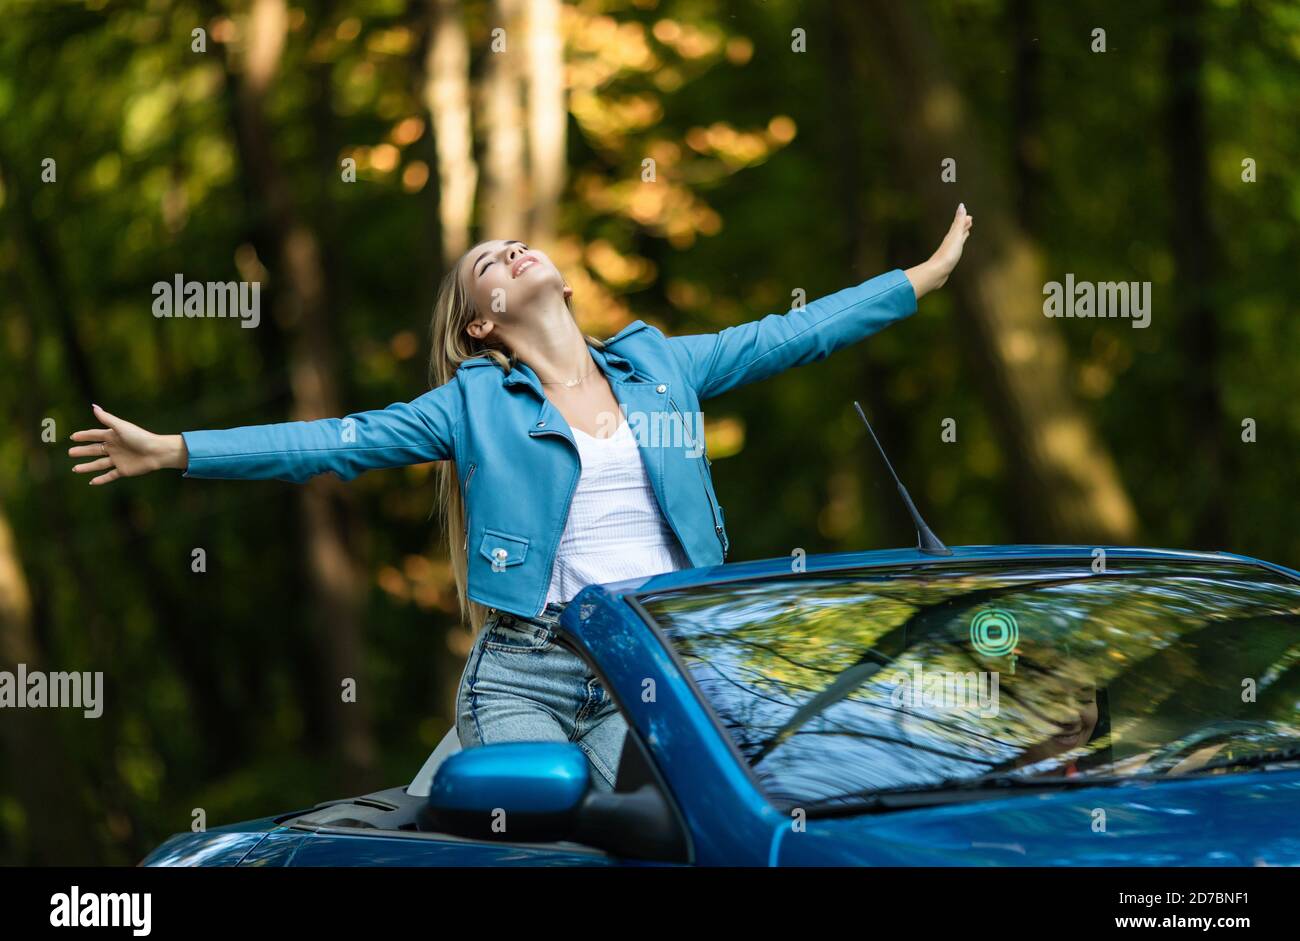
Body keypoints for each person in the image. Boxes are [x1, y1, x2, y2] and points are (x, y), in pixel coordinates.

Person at [69, 205, 974, 789]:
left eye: (514, 245)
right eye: (487, 265)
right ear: (482, 324)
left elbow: (791, 333)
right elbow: (334, 443)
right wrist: (177, 450)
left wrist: (917, 282)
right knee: (525, 839)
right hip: (525, 671)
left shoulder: (661, 365)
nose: (509, 249)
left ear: (564, 285)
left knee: (653, 831)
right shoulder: (472, 405)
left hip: (655, 664)